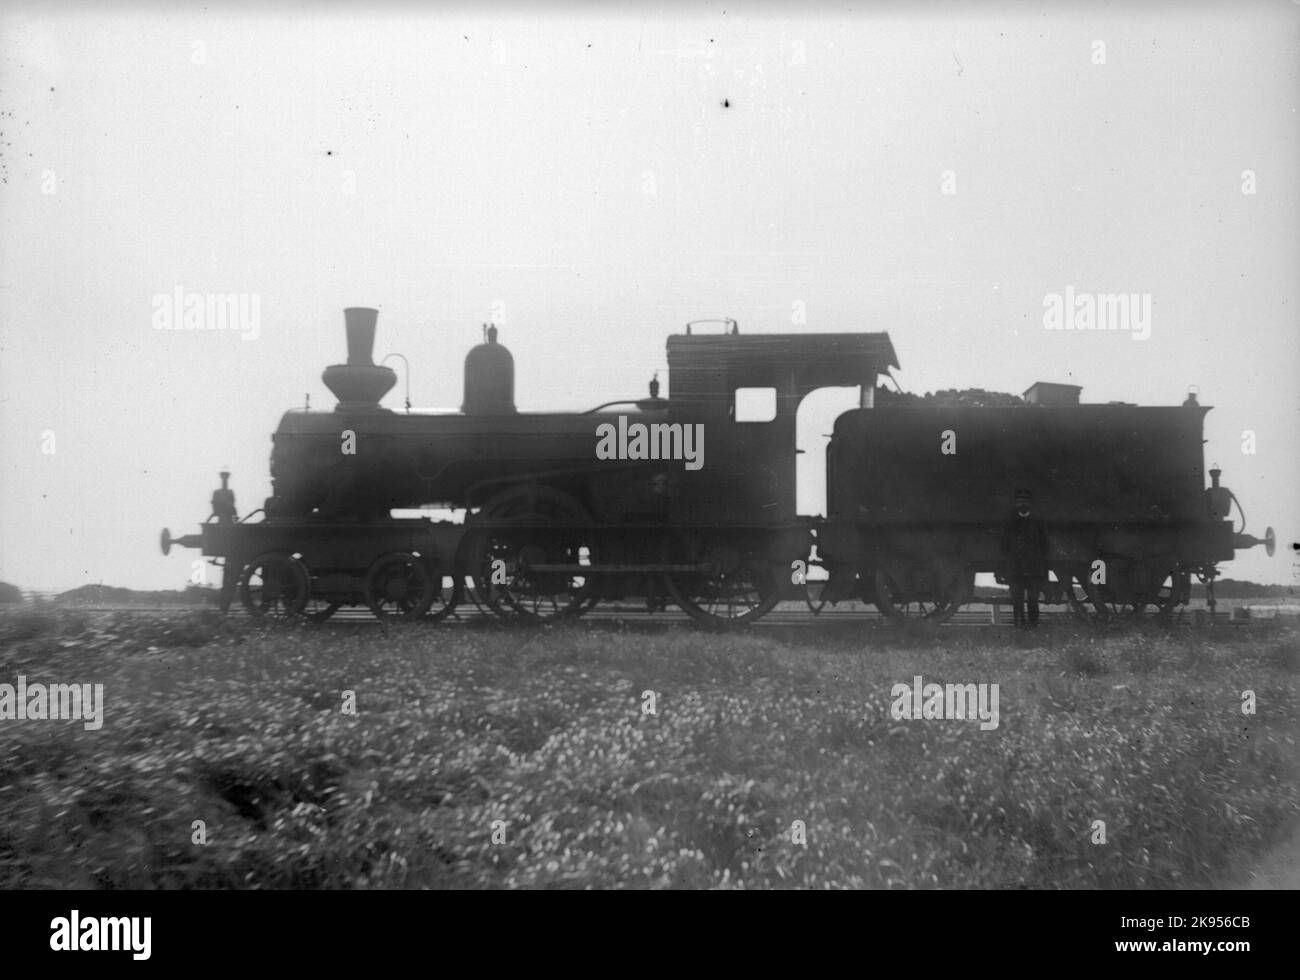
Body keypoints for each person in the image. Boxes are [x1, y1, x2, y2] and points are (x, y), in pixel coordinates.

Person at [1001, 489, 1049, 628]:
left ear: (1030, 504)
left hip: (1034, 568)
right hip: (1016, 568)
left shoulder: (1038, 522)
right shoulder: (1009, 522)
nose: (1022, 504)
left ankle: (1033, 624)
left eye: (1025, 501)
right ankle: (1019, 624)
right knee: (1017, 599)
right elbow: (1004, 545)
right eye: (1020, 501)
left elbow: (1045, 545)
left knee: (1033, 599)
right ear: (1015, 503)